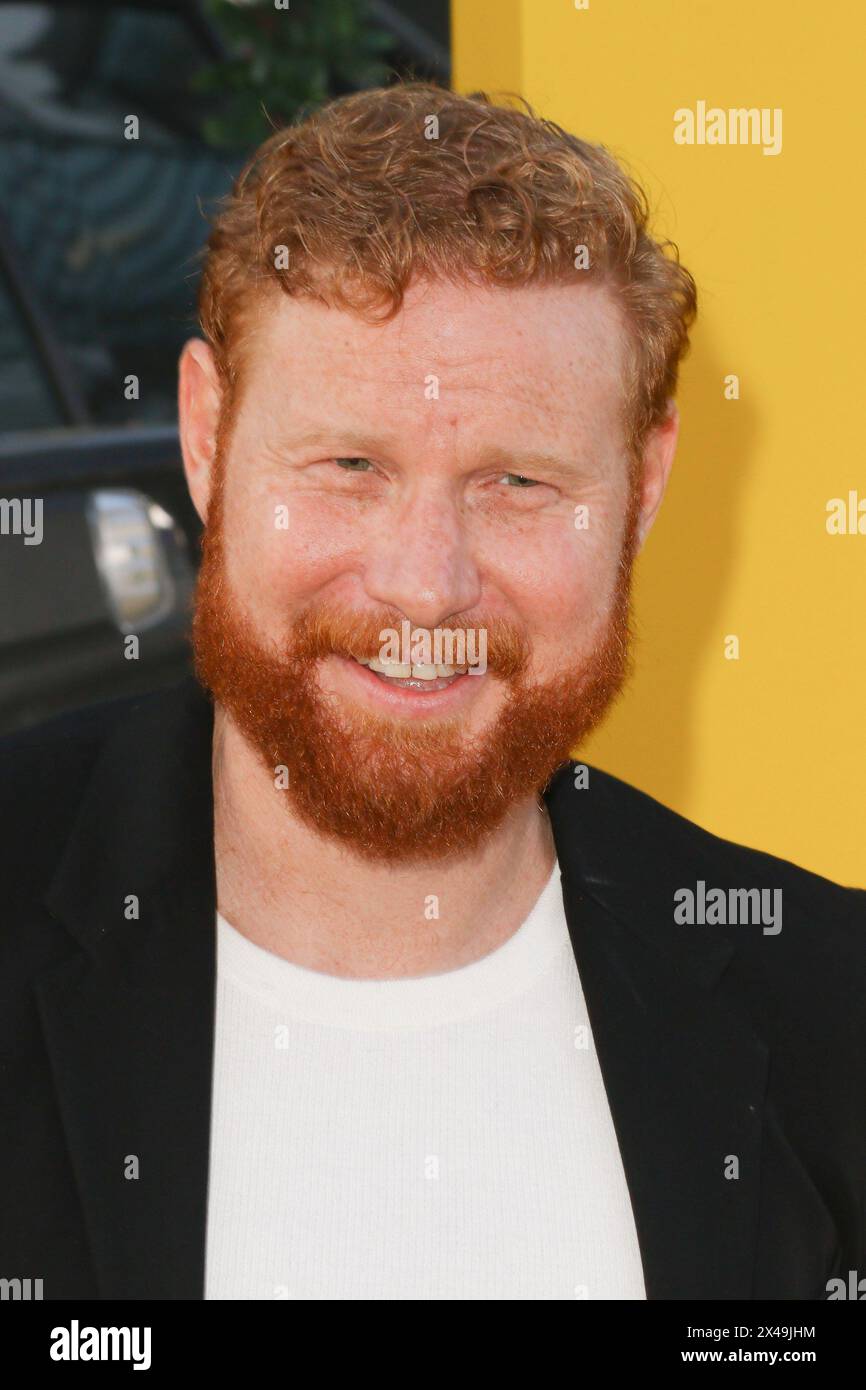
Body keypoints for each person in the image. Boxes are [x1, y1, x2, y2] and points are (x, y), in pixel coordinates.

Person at [1, 82, 863, 1301]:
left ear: (644, 482)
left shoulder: (829, 1006)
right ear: (205, 436)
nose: (425, 587)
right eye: (349, 466)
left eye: (514, 482)